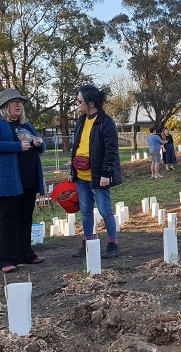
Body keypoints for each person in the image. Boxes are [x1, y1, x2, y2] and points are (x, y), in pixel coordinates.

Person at [0, 88, 46, 273]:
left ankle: (26, 253)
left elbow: (41, 146)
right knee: (9, 218)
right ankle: (6, 259)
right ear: (4, 106)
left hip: (29, 179)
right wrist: (16, 146)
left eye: (20, 102)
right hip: (6, 180)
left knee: (25, 217)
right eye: (13, 102)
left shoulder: (27, 125)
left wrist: (39, 144)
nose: (18, 105)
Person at [70, 84, 122, 259]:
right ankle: (88, 242)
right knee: (85, 210)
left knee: (105, 210)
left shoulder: (105, 122)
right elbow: (76, 147)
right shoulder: (81, 121)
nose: (78, 104)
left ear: (91, 103)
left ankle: (112, 244)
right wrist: (72, 170)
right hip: (81, 176)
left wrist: (106, 173)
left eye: (80, 101)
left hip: (99, 177)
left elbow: (111, 149)